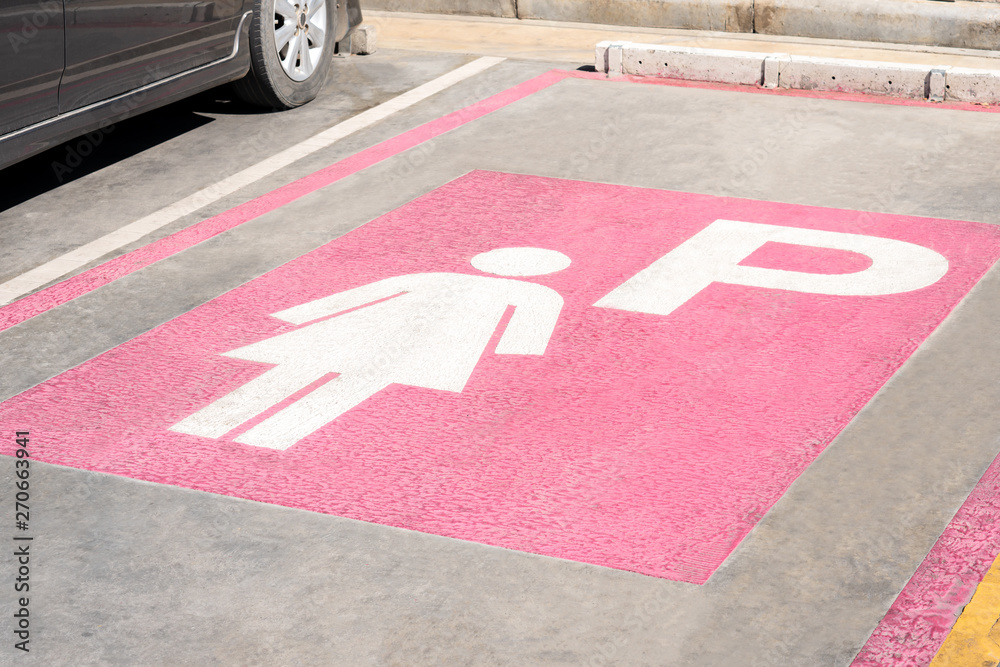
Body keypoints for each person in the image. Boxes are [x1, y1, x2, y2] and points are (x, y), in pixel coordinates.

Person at [171, 247, 570, 450]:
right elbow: (526, 335)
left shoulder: (431, 276)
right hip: (441, 347)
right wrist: (516, 355)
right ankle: (275, 432)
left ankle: (212, 421)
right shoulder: (537, 293)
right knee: (360, 382)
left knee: (299, 367)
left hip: (362, 330)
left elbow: (364, 296)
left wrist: (303, 315)